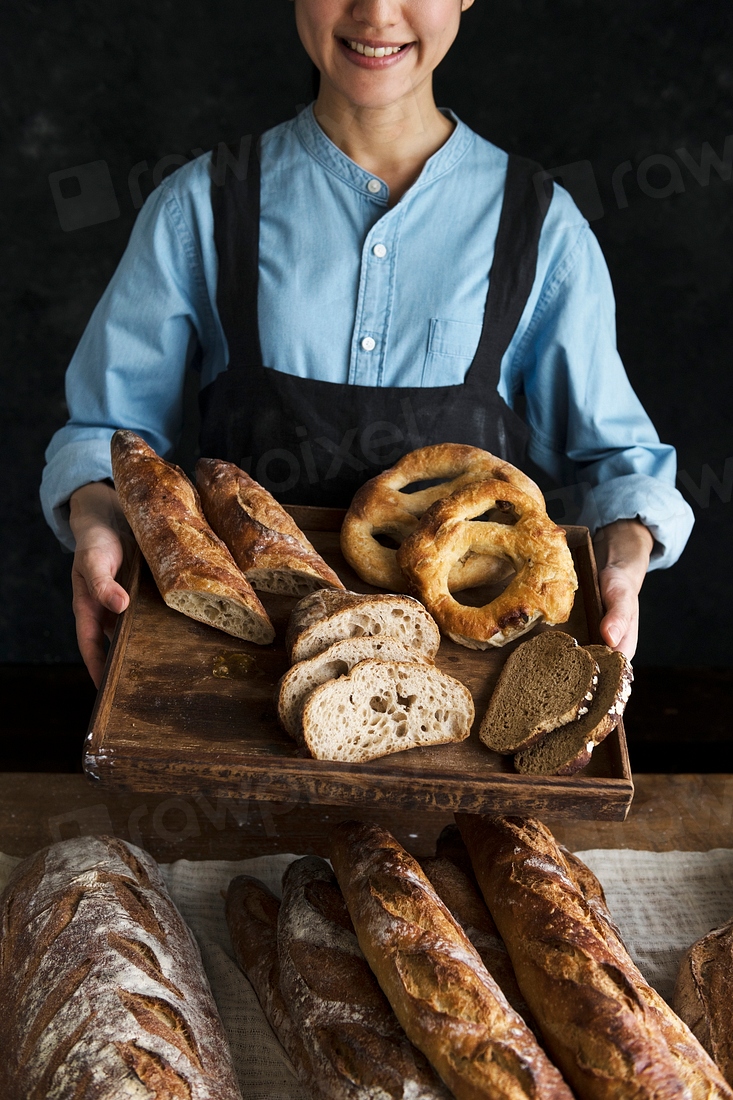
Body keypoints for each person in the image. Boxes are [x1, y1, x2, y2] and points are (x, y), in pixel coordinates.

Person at [41, 0, 694, 687]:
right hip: (231, 673)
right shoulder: (200, 205)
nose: (377, 12)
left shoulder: (541, 228)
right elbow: (110, 435)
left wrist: (621, 562)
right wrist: (96, 517)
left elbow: (615, 467)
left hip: (466, 693)